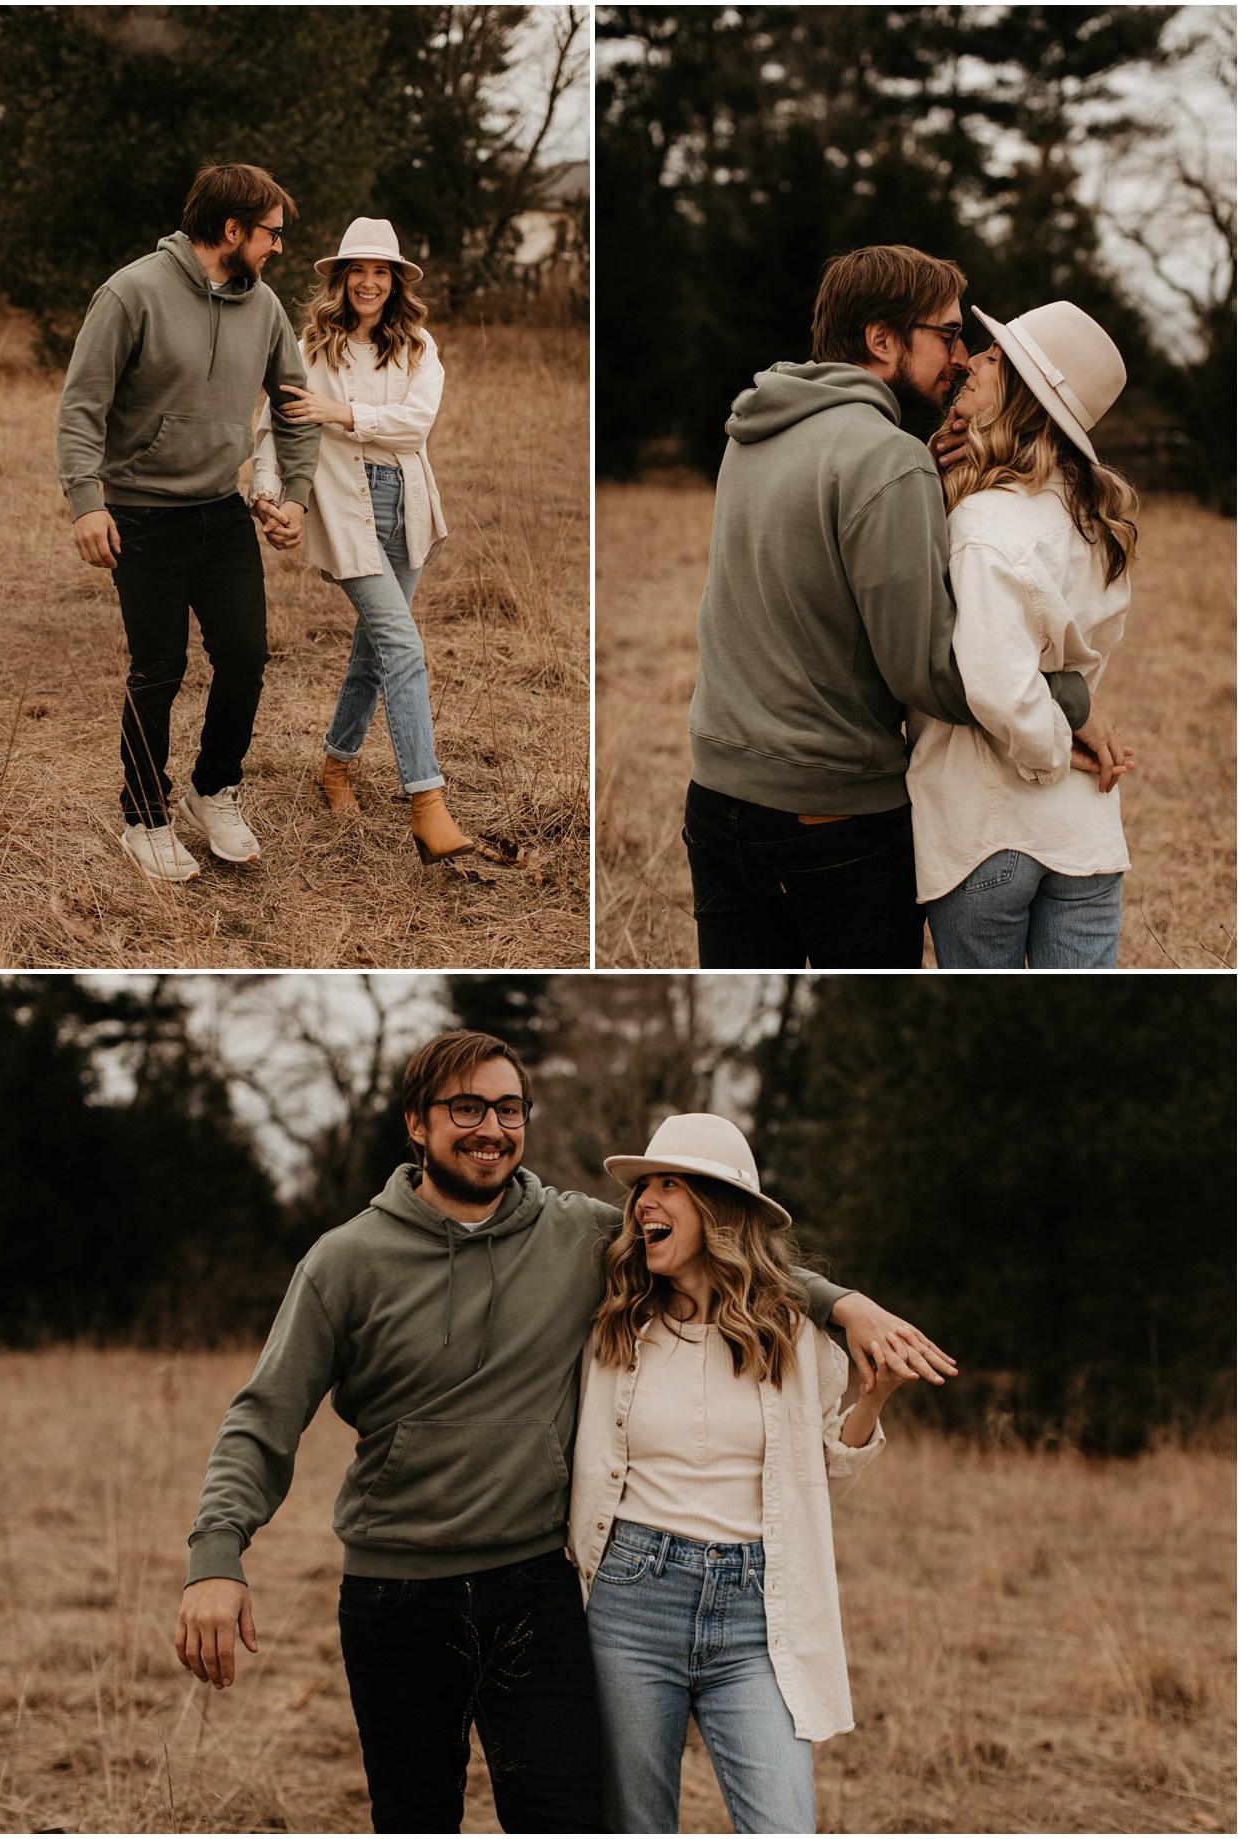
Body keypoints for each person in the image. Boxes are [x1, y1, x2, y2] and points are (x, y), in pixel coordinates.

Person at [173, 1029, 954, 1835]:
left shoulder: (578, 1233)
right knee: (414, 1818)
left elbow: (723, 1249)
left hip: (535, 1591)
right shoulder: (344, 1262)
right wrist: (215, 1557)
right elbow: (262, 1415)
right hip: (395, 1595)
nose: (491, 1128)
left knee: (571, 1821)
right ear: (416, 1122)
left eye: (509, 1108)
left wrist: (843, 1303)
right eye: (466, 1107)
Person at [684, 243, 1125, 969]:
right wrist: (1069, 698)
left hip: (717, 798)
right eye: (947, 334)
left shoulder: (756, 432)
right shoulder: (884, 461)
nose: (960, 357)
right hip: (828, 814)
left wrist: (917, 463)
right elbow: (926, 671)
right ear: (882, 340)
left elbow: (816, 552)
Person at [569, 1114, 916, 1834]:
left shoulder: (791, 1334)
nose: (644, 1203)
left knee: (784, 1822)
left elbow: (825, 1475)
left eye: (670, 1185)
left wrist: (871, 1397)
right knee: (636, 1821)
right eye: (644, 1188)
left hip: (758, 1610)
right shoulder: (613, 1321)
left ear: (718, 1208)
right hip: (632, 1600)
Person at [57, 162, 320, 882]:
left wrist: (294, 494)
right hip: (142, 514)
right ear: (231, 229)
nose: (277, 247)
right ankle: (144, 818)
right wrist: (87, 501)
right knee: (159, 666)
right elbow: (81, 408)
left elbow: (295, 406)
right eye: (271, 233)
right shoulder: (131, 292)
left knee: (246, 656)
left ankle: (212, 789)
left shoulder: (263, 306)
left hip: (220, 511)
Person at [907, 302, 1138, 967]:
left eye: (994, 358)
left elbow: (999, 686)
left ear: (1023, 398)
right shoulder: (1095, 518)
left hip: (988, 827)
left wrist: (1054, 754)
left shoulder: (983, 522)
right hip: (1085, 832)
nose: (971, 361)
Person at [250, 217, 470, 863]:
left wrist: (338, 414)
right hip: (346, 510)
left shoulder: (419, 348)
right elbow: (273, 431)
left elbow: (414, 426)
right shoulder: (311, 347)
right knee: (402, 644)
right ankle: (427, 804)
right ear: (341, 280)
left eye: (382, 271)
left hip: (406, 509)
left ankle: (335, 766)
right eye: (358, 271)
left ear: (396, 281)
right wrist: (266, 495)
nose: (369, 282)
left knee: (373, 653)